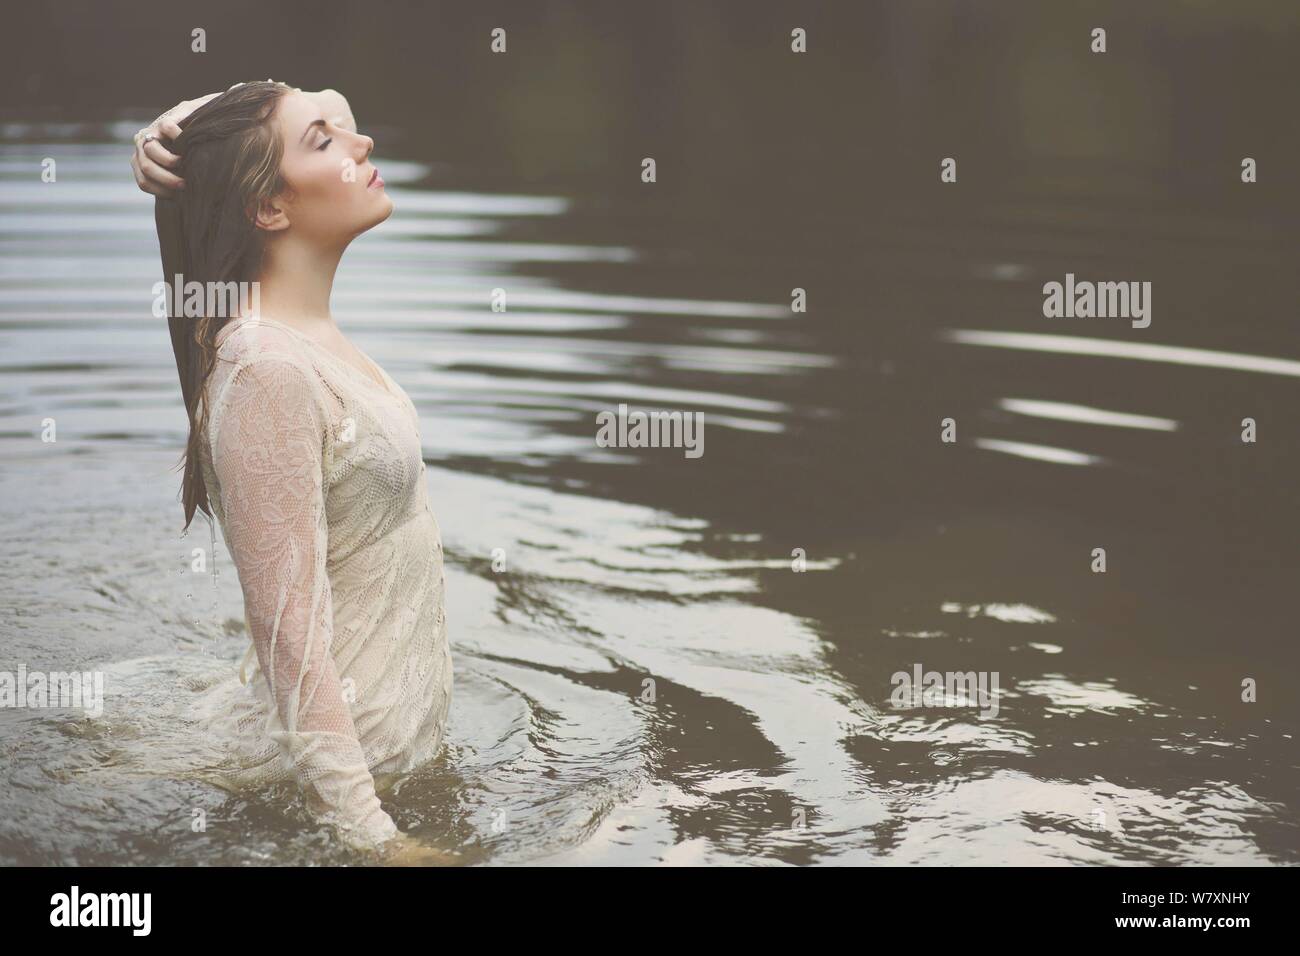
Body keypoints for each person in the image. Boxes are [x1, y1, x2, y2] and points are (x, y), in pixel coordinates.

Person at [133, 82, 453, 864]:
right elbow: (290, 642)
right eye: (323, 142)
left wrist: (179, 122)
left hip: (393, 761)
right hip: (339, 788)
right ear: (268, 209)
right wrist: (373, 839)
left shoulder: (302, 337)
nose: (359, 142)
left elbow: (326, 97)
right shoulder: (266, 367)